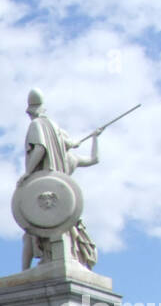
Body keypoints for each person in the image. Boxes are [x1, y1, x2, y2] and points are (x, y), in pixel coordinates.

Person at [19, 89, 101, 270]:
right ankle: (57, 260)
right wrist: (95, 138)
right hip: (63, 201)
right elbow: (95, 159)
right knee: (55, 232)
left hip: (42, 193)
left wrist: (27, 173)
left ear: (30, 111)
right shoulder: (70, 158)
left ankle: (26, 269)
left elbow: (40, 149)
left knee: (31, 232)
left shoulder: (36, 125)